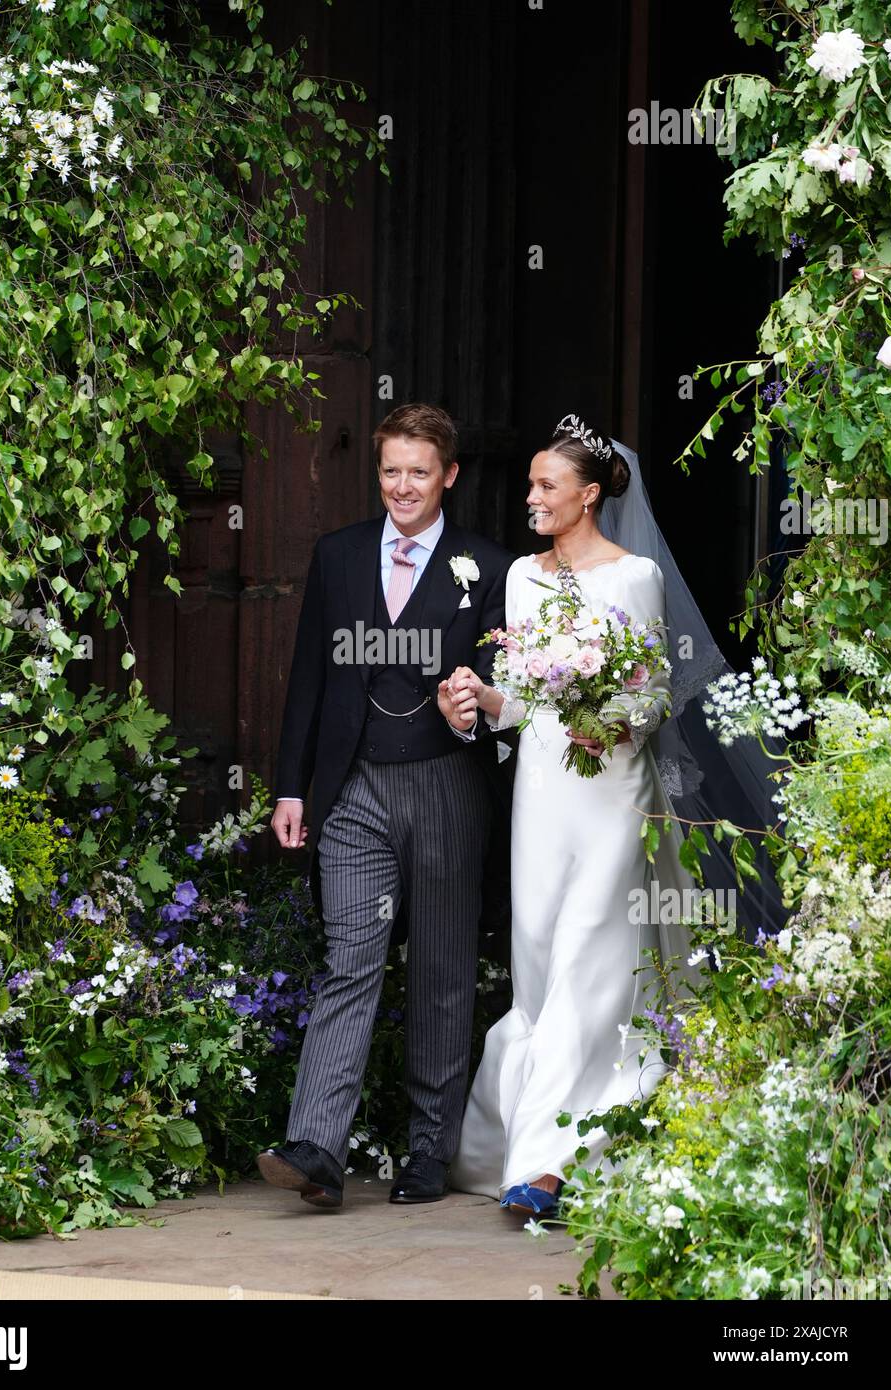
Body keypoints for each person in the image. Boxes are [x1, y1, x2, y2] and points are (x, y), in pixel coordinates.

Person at [441, 414, 708, 1218]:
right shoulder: (522, 577)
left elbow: (658, 693)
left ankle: (543, 1168)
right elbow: (521, 700)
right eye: (530, 484)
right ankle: (528, 1143)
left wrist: (621, 716)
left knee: (594, 958)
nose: (530, 497)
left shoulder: (634, 578)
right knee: (541, 962)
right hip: (544, 792)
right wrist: (481, 697)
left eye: (545, 486)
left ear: (589, 495)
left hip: (612, 790)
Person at [257, 402, 513, 1210]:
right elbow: (309, 679)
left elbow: (508, 691)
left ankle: (430, 1153)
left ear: (449, 476)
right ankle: (317, 1149)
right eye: (390, 471)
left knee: (441, 966)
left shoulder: (490, 567)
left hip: (445, 781)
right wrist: (292, 786)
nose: (402, 486)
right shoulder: (337, 557)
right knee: (350, 960)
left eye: (418, 471)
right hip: (356, 786)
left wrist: (468, 707)